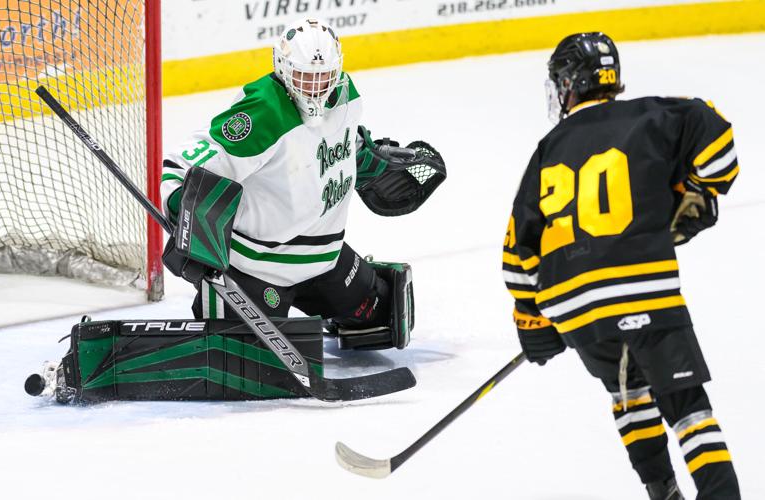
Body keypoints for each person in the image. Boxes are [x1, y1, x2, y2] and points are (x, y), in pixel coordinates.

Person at [503, 32, 740, 499]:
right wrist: (694, 194)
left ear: (569, 84)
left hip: (576, 308)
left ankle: (662, 491)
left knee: (627, 392)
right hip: (644, 288)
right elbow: (721, 148)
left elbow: (517, 250)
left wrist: (531, 318)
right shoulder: (655, 113)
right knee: (687, 407)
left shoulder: (548, 148)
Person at [160, 18, 445, 351]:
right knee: (240, 356)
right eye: (305, 76)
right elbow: (179, 167)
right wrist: (188, 219)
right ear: (282, 68)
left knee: (381, 314)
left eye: (324, 76)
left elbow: (342, 145)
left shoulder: (346, 98)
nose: (316, 87)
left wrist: (369, 161)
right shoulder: (262, 114)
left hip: (323, 259)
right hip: (257, 268)